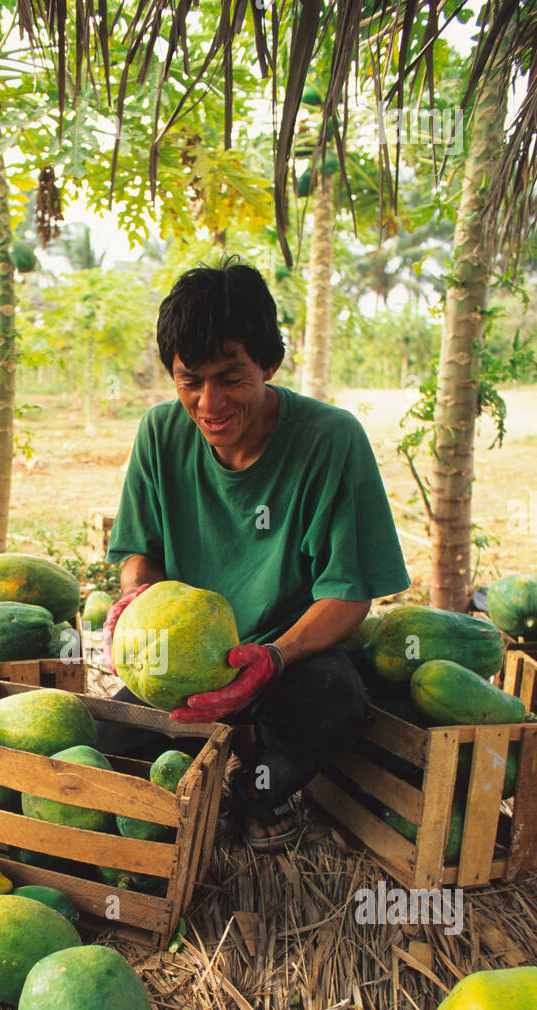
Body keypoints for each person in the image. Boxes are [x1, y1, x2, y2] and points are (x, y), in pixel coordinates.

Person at [99, 257, 411, 848]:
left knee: (334, 703)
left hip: (288, 661)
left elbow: (348, 594)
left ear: (270, 363)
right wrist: (135, 602)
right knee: (104, 744)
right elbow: (139, 554)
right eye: (190, 380)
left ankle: (252, 793)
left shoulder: (330, 439)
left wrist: (271, 658)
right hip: (187, 669)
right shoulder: (160, 434)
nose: (209, 404)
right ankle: (211, 777)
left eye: (231, 378)